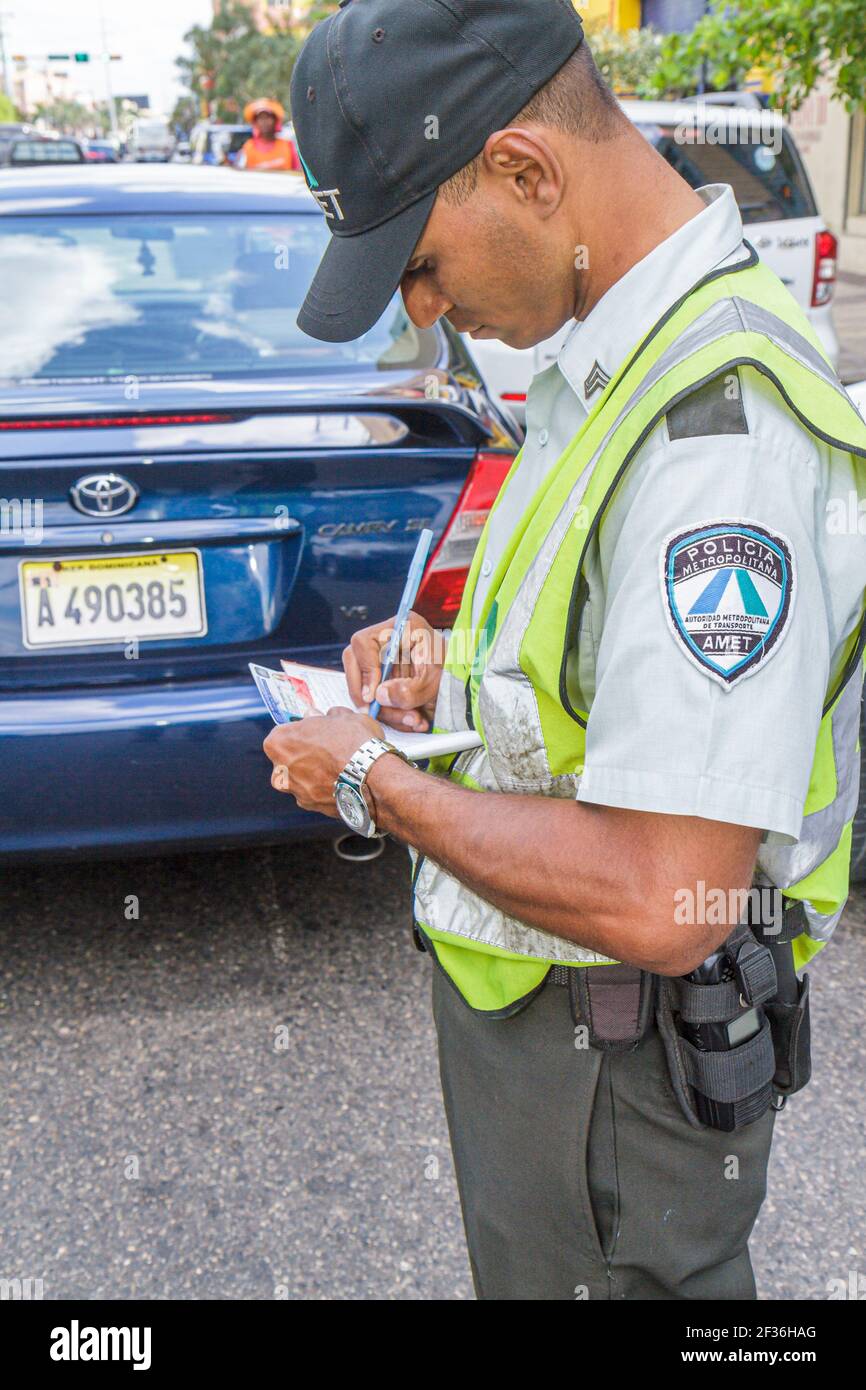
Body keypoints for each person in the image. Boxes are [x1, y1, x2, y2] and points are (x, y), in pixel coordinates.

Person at [262, 0, 866, 1299]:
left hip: (614, 1075)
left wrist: (372, 778)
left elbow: (661, 892)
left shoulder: (714, 440)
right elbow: (596, 667)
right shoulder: (609, 355)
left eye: (420, 262)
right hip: (567, 1052)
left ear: (525, 171)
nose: (424, 310)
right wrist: (450, 670)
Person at [236, 98, 300, 172]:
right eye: (261, 118)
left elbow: (297, 171)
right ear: (255, 122)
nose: (264, 122)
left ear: (275, 120)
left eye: (268, 117)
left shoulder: (288, 145)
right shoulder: (248, 147)